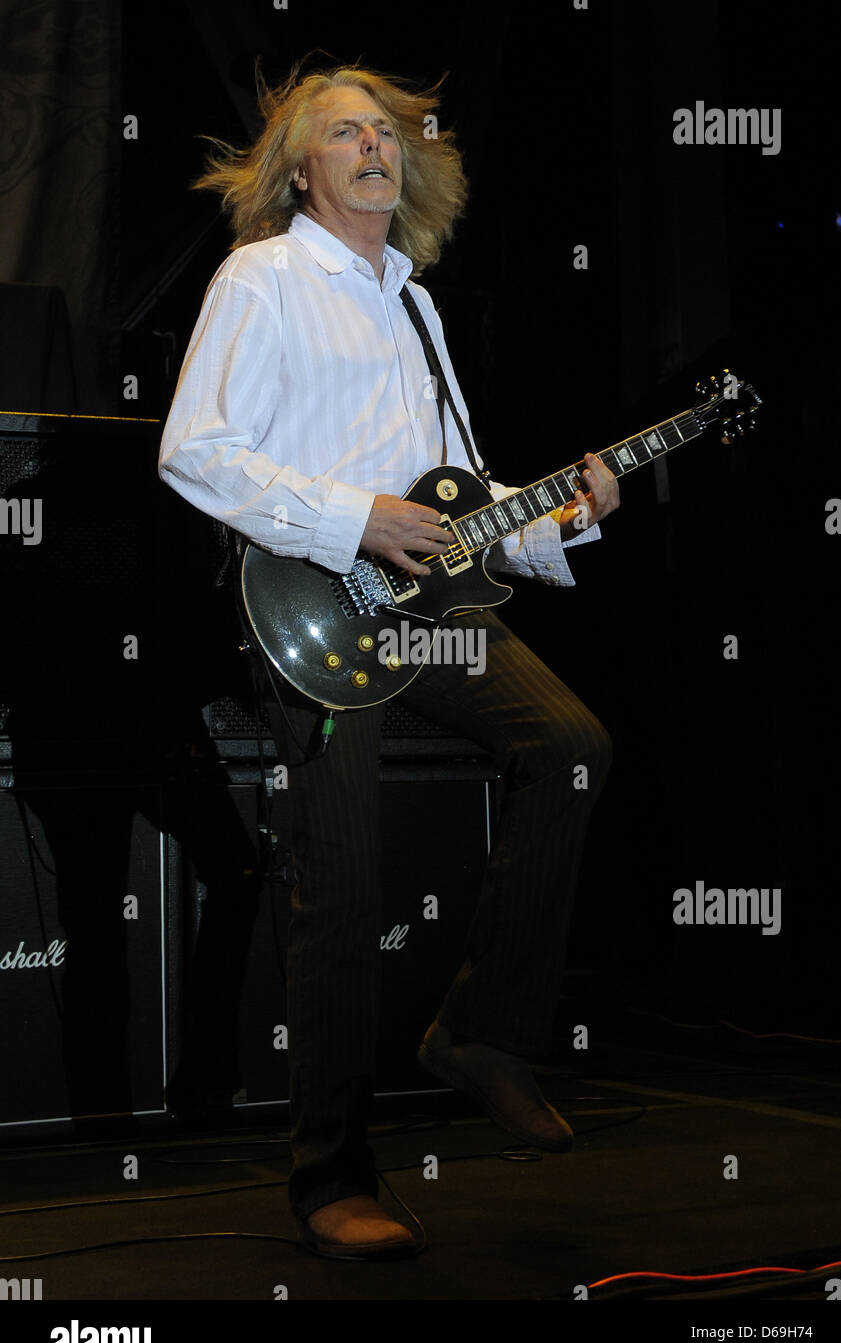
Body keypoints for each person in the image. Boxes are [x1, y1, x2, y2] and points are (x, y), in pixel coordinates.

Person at [159, 62, 619, 1260]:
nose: (373, 144)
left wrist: (561, 514)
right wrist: (349, 517)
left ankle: (479, 1030)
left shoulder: (413, 301)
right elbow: (193, 452)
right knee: (343, 880)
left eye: (387, 131)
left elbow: (453, 502)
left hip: (427, 605)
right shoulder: (260, 277)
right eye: (344, 132)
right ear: (302, 168)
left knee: (568, 746)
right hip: (310, 603)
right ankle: (330, 1177)